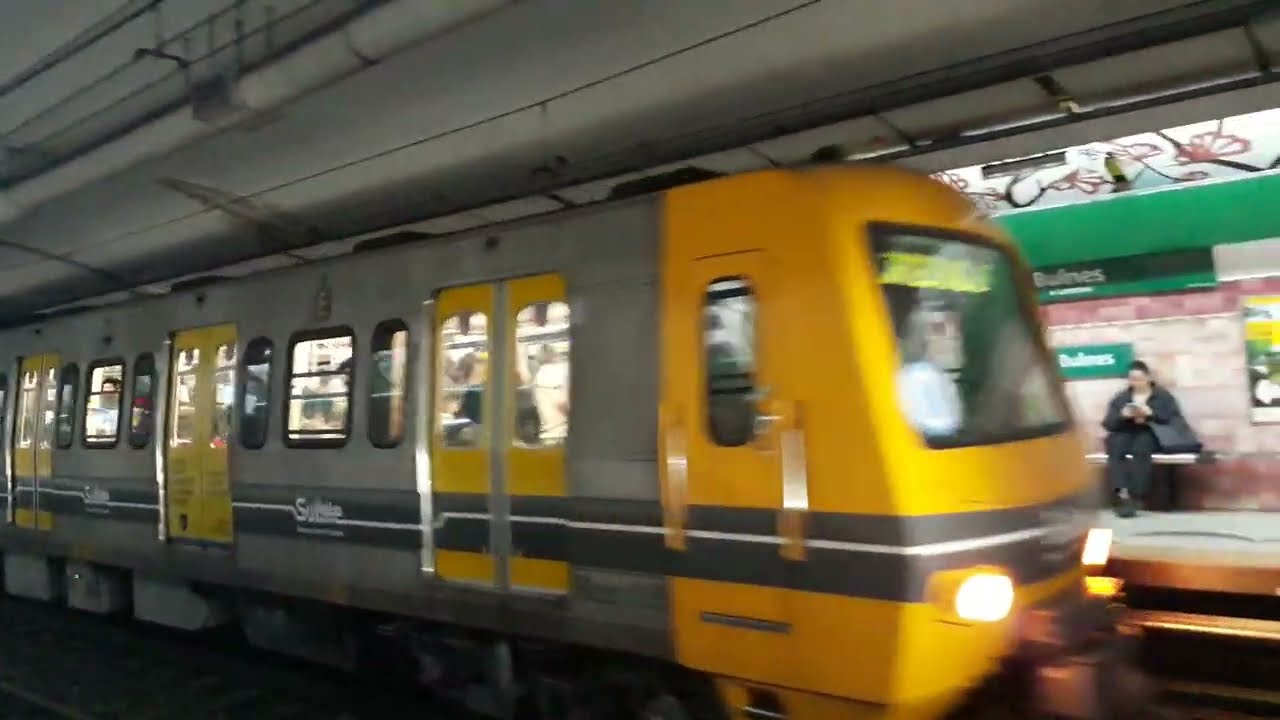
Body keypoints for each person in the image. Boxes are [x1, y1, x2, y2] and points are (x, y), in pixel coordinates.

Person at [1101, 360, 1191, 517]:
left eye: (1139, 379)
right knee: (1114, 445)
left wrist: (1151, 413)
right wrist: (1123, 416)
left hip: (1152, 433)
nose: (1135, 383)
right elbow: (1108, 423)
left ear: (1148, 378)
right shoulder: (1122, 398)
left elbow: (1173, 419)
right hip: (1127, 430)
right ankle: (1122, 492)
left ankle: (1136, 494)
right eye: (1132, 379)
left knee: (1141, 448)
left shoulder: (1162, 396)